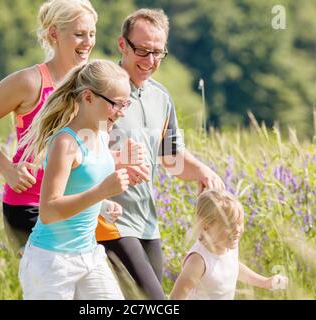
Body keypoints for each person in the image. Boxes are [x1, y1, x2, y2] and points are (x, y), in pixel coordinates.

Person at [95, 8, 226, 300]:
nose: (150, 61)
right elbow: (77, 154)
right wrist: (114, 160)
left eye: (157, 53)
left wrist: (203, 171)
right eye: (142, 50)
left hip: (147, 223)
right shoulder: (99, 91)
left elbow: (172, 159)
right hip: (107, 221)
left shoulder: (161, 98)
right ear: (121, 44)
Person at [0, 0, 98, 252]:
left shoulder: (93, 85)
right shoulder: (29, 81)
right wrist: (6, 168)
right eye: (79, 34)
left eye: (92, 34)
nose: (88, 42)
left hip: (77, 207)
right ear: (53, 34)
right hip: (29, 206)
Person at [18, 59, 132, 300]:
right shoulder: (65, 143)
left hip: (89, 256)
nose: (121, 112)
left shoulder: (102, 133)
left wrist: (102, 206)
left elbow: (80, 184)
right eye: (116, 104)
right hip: (51, 262)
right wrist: (101, 192)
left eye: (126, 104)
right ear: (88, 97)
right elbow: (49, 211)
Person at [169, 189, 289, 300]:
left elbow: (231, 267)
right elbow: (175, 298)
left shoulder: (229, 247)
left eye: (239, 223)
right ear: (206, 226)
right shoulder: (198, 261)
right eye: (230, 225)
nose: (237, 229)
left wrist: (265, 282)